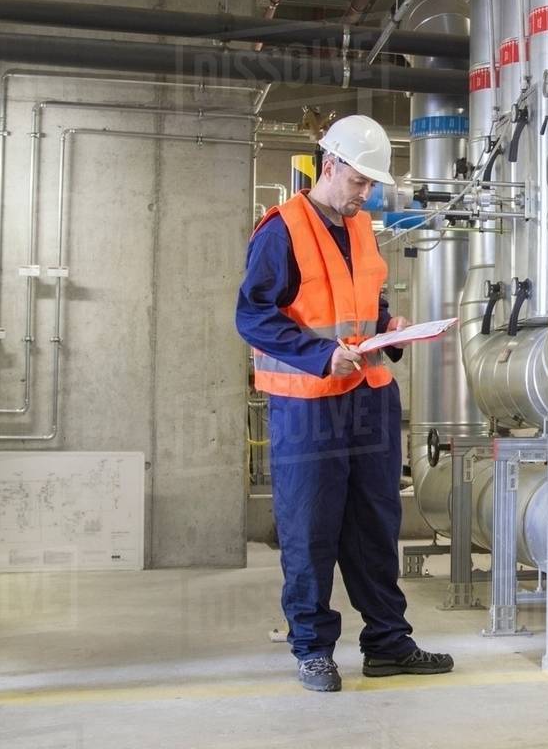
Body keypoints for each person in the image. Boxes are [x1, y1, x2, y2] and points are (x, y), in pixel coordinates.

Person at [236, 114, 453, 692]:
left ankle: (387, 642)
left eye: (372, 184)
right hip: (308, 405)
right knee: (311, 531)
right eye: (360, 181)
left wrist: (391, 328)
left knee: (375, 526)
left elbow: (364, 305)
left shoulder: (361, 227)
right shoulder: (280, 230)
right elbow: (252, 316)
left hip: (369, 397)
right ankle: (311, 647)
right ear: (329, 166)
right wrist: (317, 355)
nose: (367, 193)